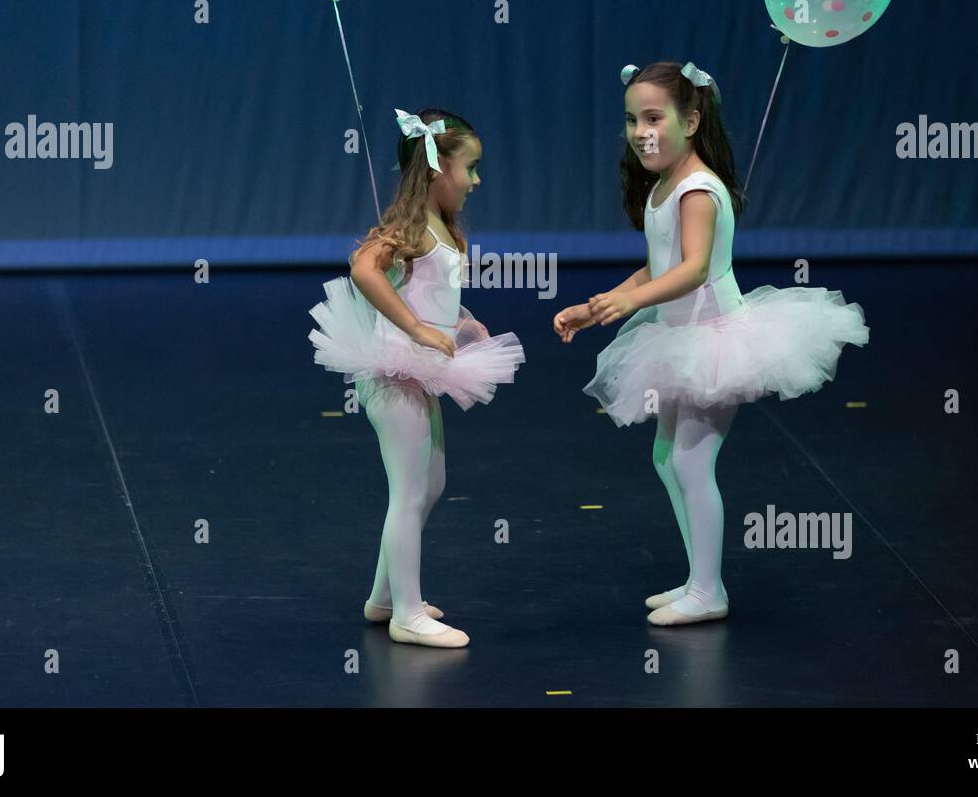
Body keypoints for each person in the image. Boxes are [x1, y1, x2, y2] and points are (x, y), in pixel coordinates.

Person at [553, 61, 869, 626]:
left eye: (654, 117)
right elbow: (658, 265)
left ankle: (709, 591)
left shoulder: (698, 189)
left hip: (715, 340)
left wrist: (634, 302)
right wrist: (601, 302)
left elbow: (696, 269)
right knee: (665, 458)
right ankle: (699, 578)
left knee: (690, 462)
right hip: (677, 337)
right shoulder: (662, 187)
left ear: (691, 120)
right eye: (631, 119)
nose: (640, 131)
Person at [309, 108, 524, 647]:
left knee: (431, 483)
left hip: (420, 371)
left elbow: (430, 292)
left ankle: (384, 597)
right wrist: (415, 328)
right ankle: (406, 613)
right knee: (408, 491)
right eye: (469, 168)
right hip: (394, 370)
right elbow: (363, 268)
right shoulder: (407, 228)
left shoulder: (441, 227)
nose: (476, 181)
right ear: (436, 169)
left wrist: (463, 322)